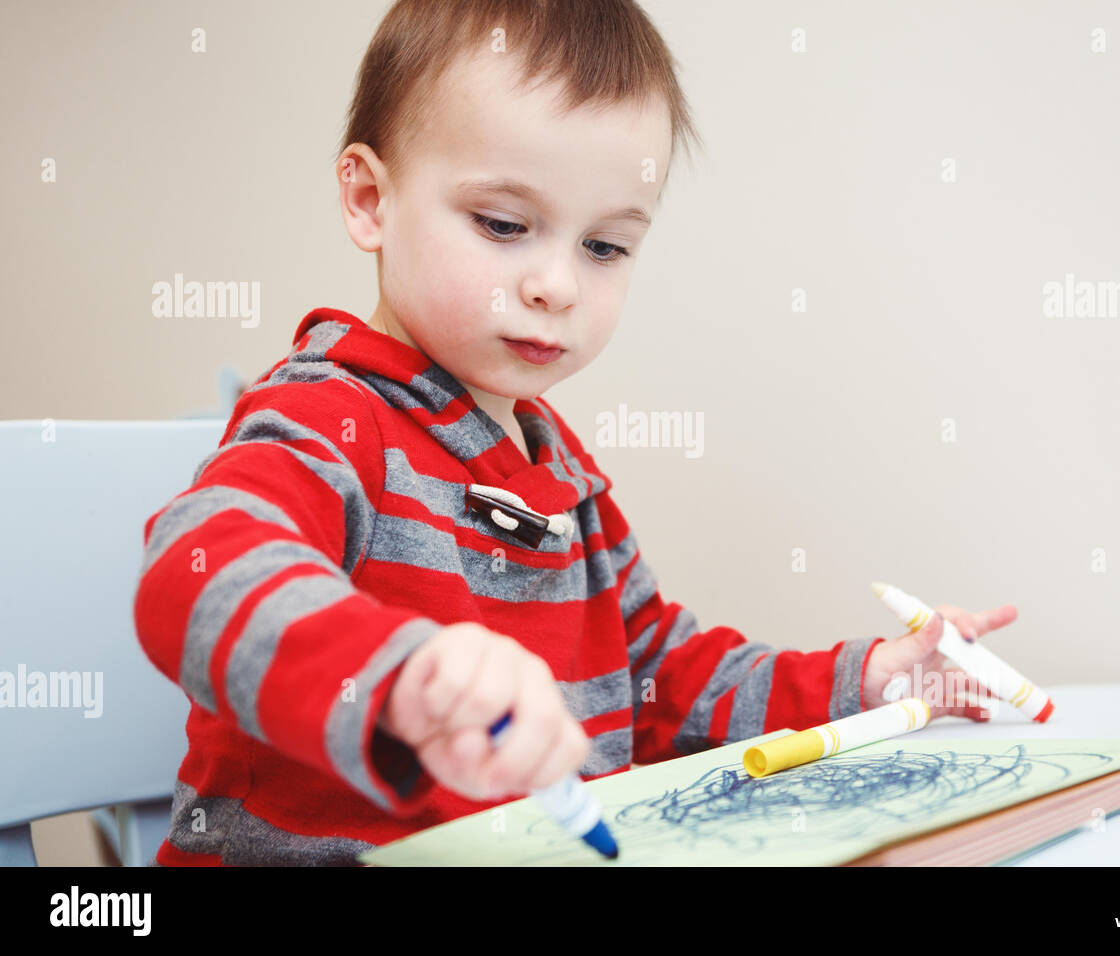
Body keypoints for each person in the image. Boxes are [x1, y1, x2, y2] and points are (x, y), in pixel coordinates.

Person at [133, 0, 1017, 866]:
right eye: (505, 225)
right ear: (369, 198)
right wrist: (399, 679)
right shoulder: (328, 414)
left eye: (605, 247)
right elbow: (195, 569)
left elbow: (662, 679)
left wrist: (868, 682)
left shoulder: (561, 471)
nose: (557, 283)